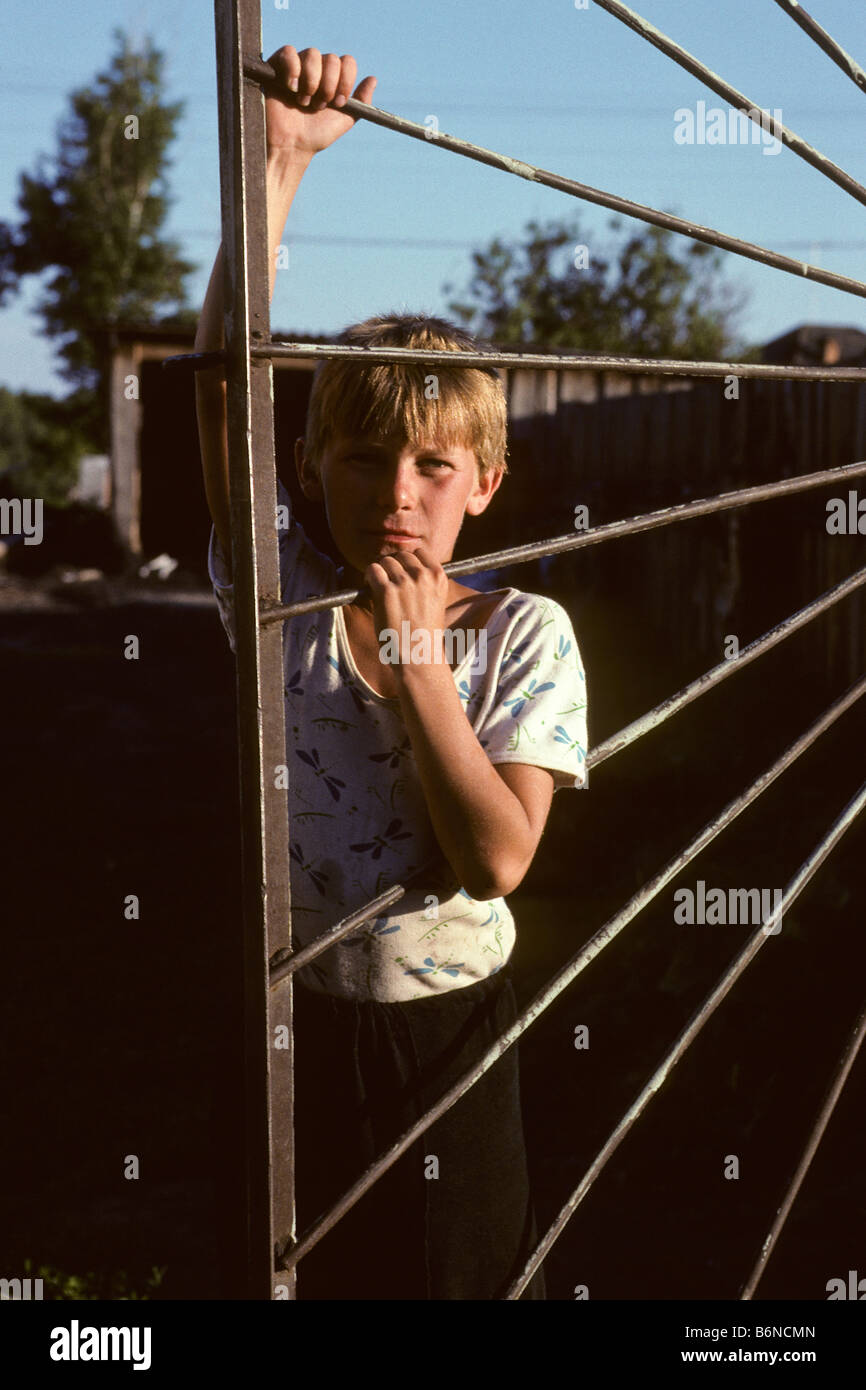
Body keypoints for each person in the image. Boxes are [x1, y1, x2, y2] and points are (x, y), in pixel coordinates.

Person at [195, 45, 588, 1300]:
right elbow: (221, 394)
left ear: (483, 483)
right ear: (314, 471)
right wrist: (280, 164)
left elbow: (494, 859)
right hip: (291, 1022)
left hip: (447, 1040)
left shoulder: (521, 631)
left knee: (443, 1277)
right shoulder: (285, 602)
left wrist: (422, 671)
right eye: (364, 460)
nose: (396, 496)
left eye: (431, 467)